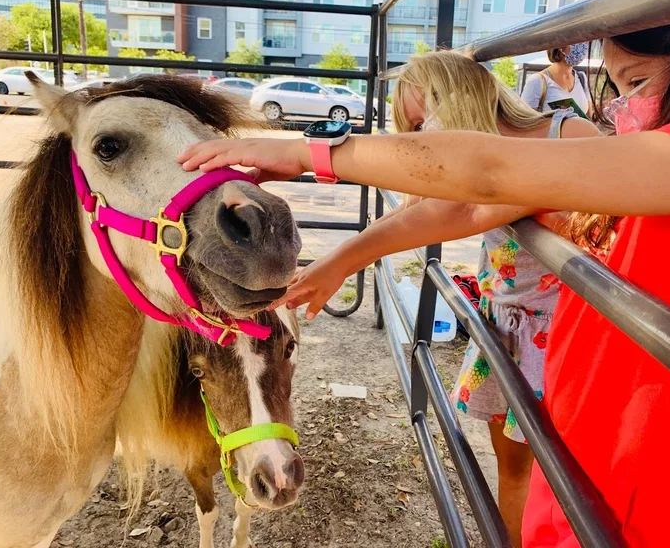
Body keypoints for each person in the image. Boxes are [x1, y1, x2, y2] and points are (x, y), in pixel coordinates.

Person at [178, 0, 670, 541]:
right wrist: (346, 256)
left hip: (646, 481)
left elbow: (486, 172)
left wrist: (311, 153)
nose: (620, 109)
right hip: (593, 453)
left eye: (635, 82)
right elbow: (472, 204)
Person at [249, 50, 600, 546]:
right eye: (415, 130)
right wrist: (341, 258)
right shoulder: (482, 174)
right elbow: (433, 210)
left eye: (424, 119)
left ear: (457, 99)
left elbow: (461, 208)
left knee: (573, 479)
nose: (424, 140)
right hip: (511, 327)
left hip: (570, 333)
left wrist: (344, 256)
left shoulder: (568, 138)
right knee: (516, 467)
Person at [520, 44, 591, 117]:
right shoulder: (536, 81)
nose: (583, 46)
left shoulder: (582, 78)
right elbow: (526, 122)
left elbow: (589, 117)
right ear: (560, 46)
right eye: (576, 42)